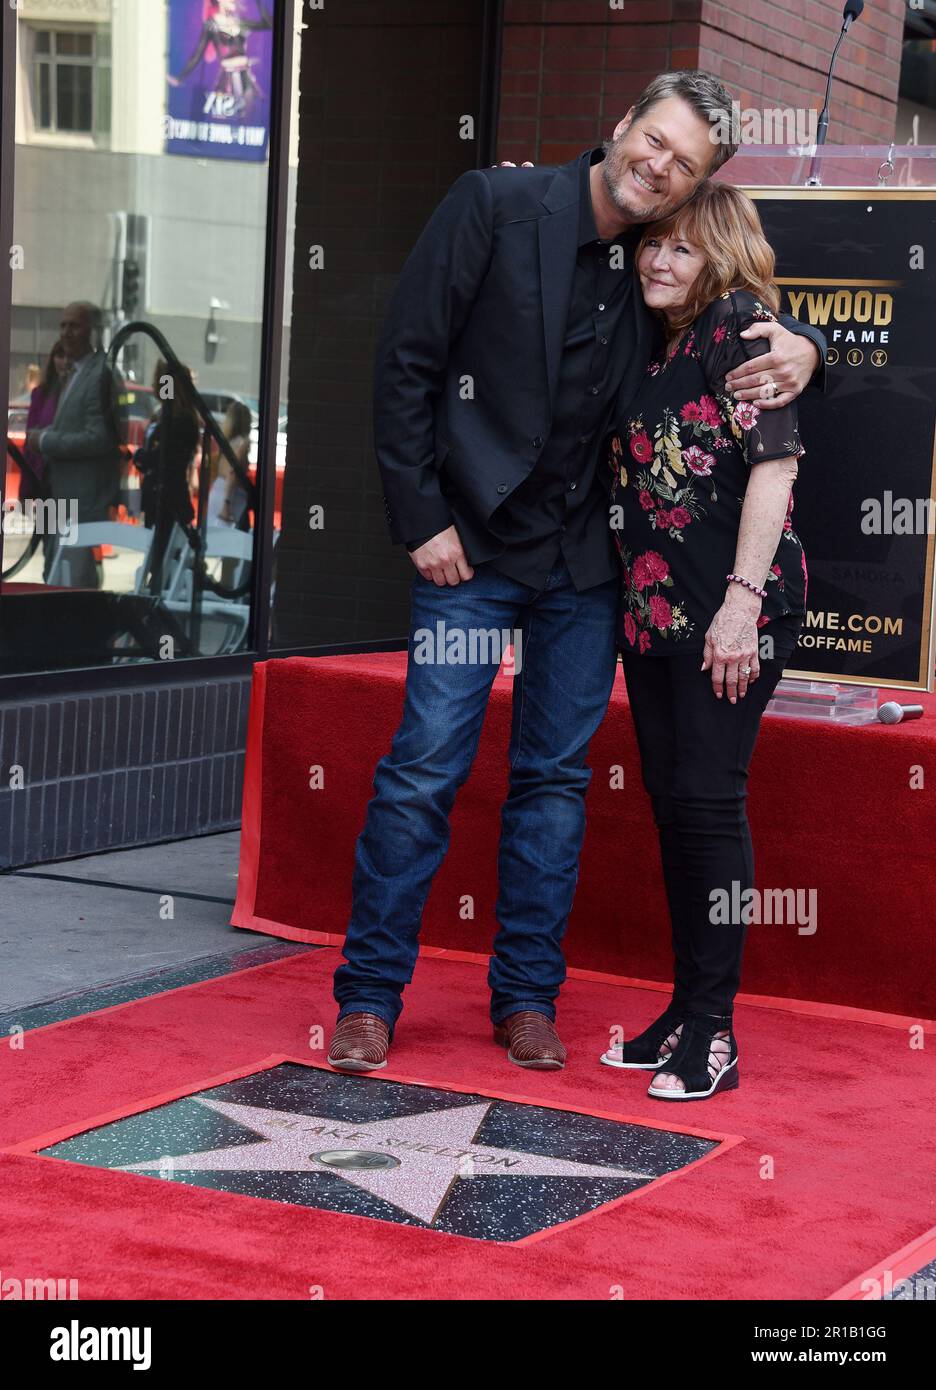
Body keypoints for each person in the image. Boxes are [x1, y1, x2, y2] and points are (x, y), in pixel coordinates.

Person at [327, 69, 827, 1075]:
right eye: (656, 141)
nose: (659, 166)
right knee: (426, 766)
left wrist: (808, 348)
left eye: (684, 164)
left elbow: (751, 330)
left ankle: (525, 998)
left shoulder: (660, 270)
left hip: (589, 567)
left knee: (555, 781)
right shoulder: (496, 204)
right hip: (469, 551)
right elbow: (408, 361)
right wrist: (420, 516)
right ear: (621, 123)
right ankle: (370, 997)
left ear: (695, 187)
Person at [599, 182, 810, 1100]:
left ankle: (716, 1032)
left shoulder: (740, 328)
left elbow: (777, 466)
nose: (659, 260)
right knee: (674, 806)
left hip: (732, 611)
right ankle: (685, 1007)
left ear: (718, 257)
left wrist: (740, 601)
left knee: (708, 805)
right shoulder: (657, 342)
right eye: (654, 244)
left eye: (682, 249)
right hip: (653, 616)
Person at [26, 302, 124, 589]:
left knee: (72, 582)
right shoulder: (78, 372)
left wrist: (45, 440)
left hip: (83, 502)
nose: (66, 333)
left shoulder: (100, 374)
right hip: (64, 498)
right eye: (63, 325)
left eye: (75, 325)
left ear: (93, 332)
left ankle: (88, 633)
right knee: (62, 575)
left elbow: (100, 437)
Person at [136, 358, 200, 592]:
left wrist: (145, 457)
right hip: (157, 496)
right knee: (157, 559)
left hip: (169, 498)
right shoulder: (166, 415)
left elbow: (169, 458)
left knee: (164, 561)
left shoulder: (181, 419)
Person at [21, 341, 72, 568]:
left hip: (71, 483)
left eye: (67, 356)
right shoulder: (41, 394)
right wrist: (26, 488)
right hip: (45, 481)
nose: (63, 361)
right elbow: (29, 443)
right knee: (50, 548)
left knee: (69, 549)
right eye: (59, 355)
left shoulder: (78, 393)